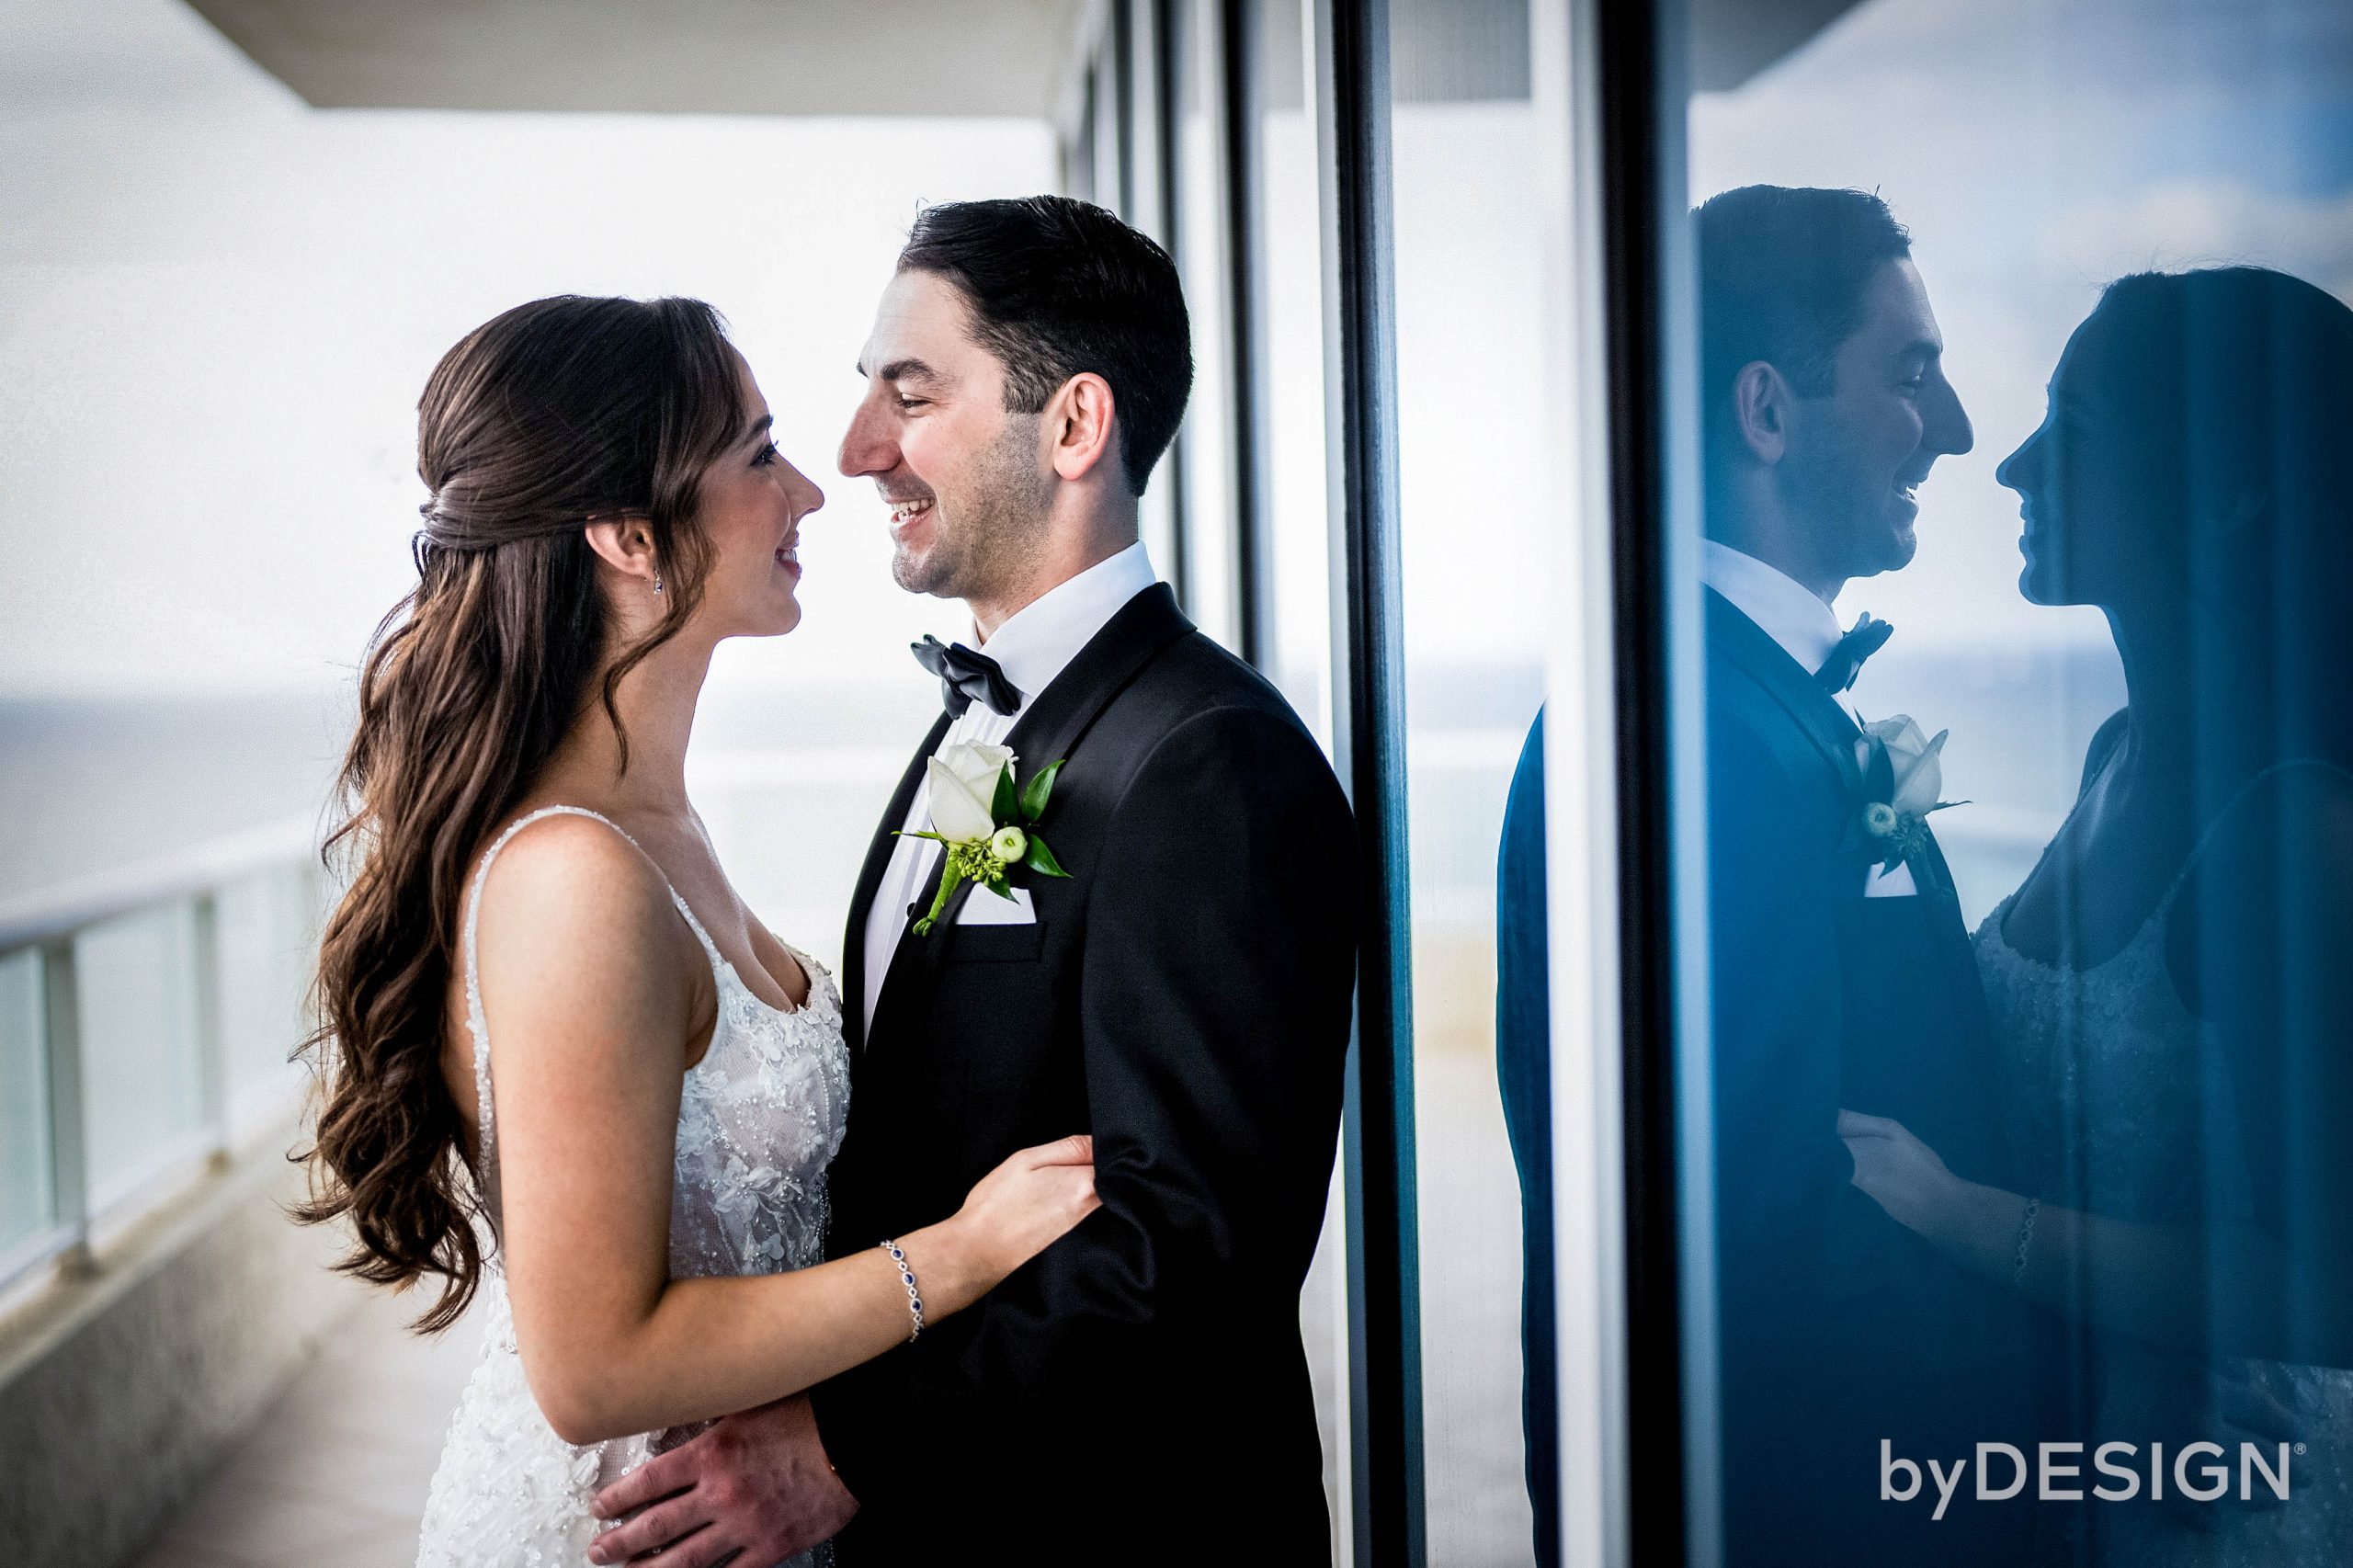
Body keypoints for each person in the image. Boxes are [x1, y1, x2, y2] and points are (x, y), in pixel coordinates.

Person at [583, 198, 1360, 1566]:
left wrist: (843, 1450)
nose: (857, 451)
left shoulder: (1209, 761)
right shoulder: (983, 721)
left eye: (912, 394)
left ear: (1072, 427)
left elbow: (1188, 1256)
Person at [297, 294, 1100, 1568]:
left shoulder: (658, 829)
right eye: (756, 454)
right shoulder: (575, 876)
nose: (809, 495)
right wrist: (958, 1256)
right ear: (626, 532)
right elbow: (595, 1364)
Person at [1842, 265, 2353, 1563]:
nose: (2012, 465)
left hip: (2237, 1503)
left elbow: (2331, 1281)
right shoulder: (2117, 751)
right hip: (2096, 1464)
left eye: (2076, 428)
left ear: (2230, 490)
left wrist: (1957, 1212)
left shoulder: (2293, 825)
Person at [1689, 183, 2051, 1562]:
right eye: (1915, 376)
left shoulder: (1766, 706)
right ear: (1769, 413)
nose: (1955, 430)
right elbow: (1772, 1232)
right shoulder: (1705, 736)